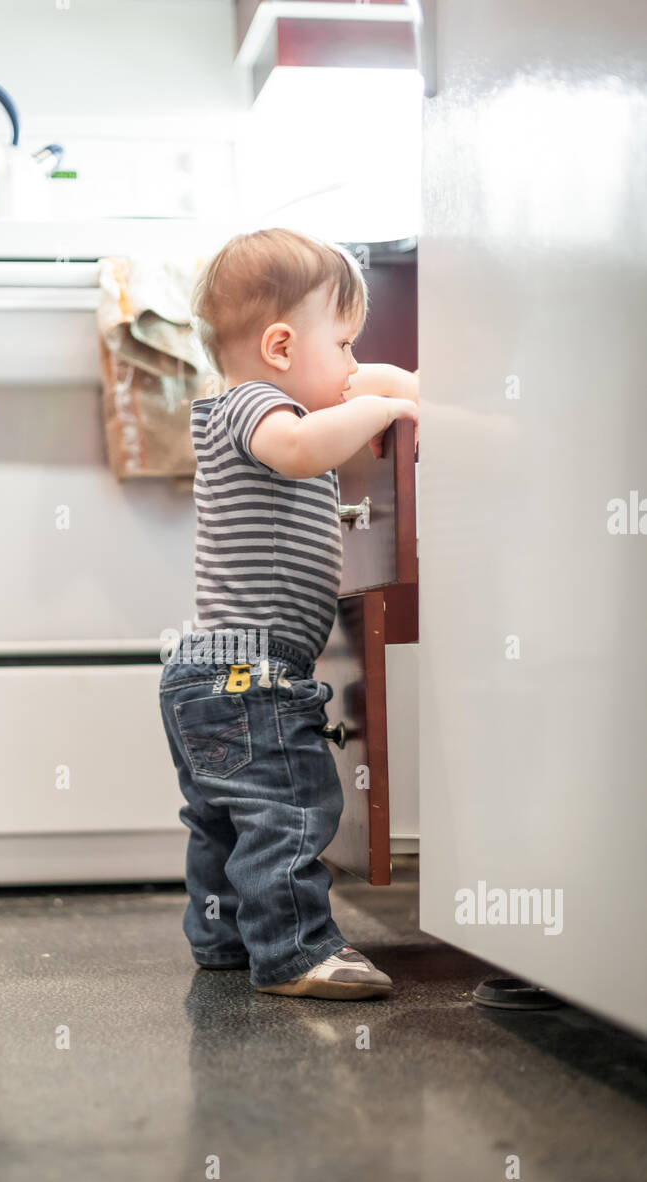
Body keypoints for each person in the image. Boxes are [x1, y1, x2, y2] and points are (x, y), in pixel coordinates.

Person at [159, 227, 419, 999]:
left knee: (225, 817)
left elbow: (352, 385)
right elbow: (308, 448)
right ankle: (297, 951)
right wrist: (382, 405)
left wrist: (401, 385)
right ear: (279, 347)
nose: (350, 364)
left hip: (214, 673)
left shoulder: (256, 396)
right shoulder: (258, 408)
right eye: (341, 343)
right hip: (249, 672)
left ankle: (227, 937)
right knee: (289, 808)